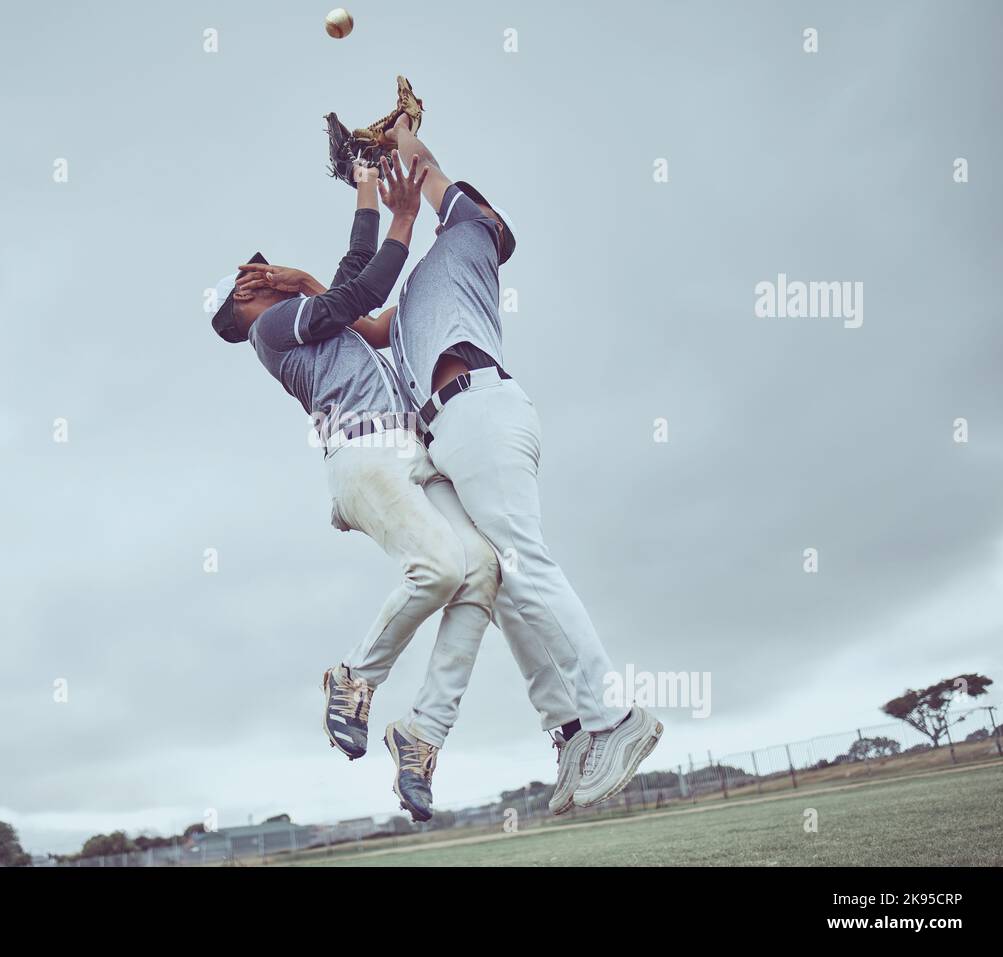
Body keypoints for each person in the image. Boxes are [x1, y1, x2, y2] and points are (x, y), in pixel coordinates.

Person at [353, 112, 664, 813]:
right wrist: (362, 193)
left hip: (479, 411)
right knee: (496, 581)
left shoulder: (468, 235)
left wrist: (399, 130)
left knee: (524, 563)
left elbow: (427, 165)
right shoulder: (412, 297)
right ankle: (573, 727)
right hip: (449, 435)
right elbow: (360, 317)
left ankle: (614, 715)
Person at [207, 153, 500, 821]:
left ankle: (423, 732)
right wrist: (402, 213)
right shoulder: (270, 329)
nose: (273, 269)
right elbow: (360, 292)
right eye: (260, 271)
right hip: (363, 453)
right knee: (439, 566)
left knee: (481, 569)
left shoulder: (310, 317)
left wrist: (367, 186)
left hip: (410, 449)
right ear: (245, 296)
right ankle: (355, 678)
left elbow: (352, 269)